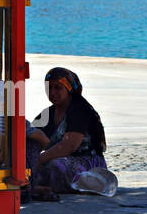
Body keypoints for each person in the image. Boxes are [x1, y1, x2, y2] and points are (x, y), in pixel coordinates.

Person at [25, 67, 109, 200]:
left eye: (58, 88)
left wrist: (40, 159)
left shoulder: (80, 110)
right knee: (27, 168)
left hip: (87, 162)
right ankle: (36, 187)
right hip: (58, 158)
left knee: (55, 167)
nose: (52, 92)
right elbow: (33, 135)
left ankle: (37, 187)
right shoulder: (48, 113)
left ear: (69, 89)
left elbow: (69, 145)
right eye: (49, 87)